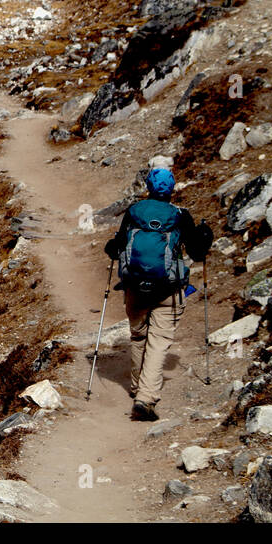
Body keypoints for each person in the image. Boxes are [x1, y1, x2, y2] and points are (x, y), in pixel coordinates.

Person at [104, 167, 212, 421]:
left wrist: (112, 247)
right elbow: (197, 253)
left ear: (148, 188)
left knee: (139, 337)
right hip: (168, 290)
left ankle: (136, 387)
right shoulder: (180, 215)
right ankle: (145, 398)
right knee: (158, 342)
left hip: (135, 288)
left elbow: (116, 248)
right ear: (172, 189)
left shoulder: (134, 211)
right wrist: (205, 236)